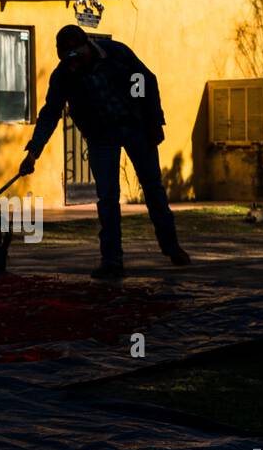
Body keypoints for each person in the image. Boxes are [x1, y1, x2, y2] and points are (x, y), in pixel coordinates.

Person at [18, 25, 191, 279]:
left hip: (136, 128)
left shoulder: (116, 54)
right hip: (101, 136)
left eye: (76, 59)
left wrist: (153, 122)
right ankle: (111, 260)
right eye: (67, 61)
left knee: (153, 187)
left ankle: (171, 246)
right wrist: (34, 151)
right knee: (107, 197)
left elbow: (145, 81)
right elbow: (51, 113)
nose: (73, 65)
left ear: (87, 46)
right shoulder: (64, 75)